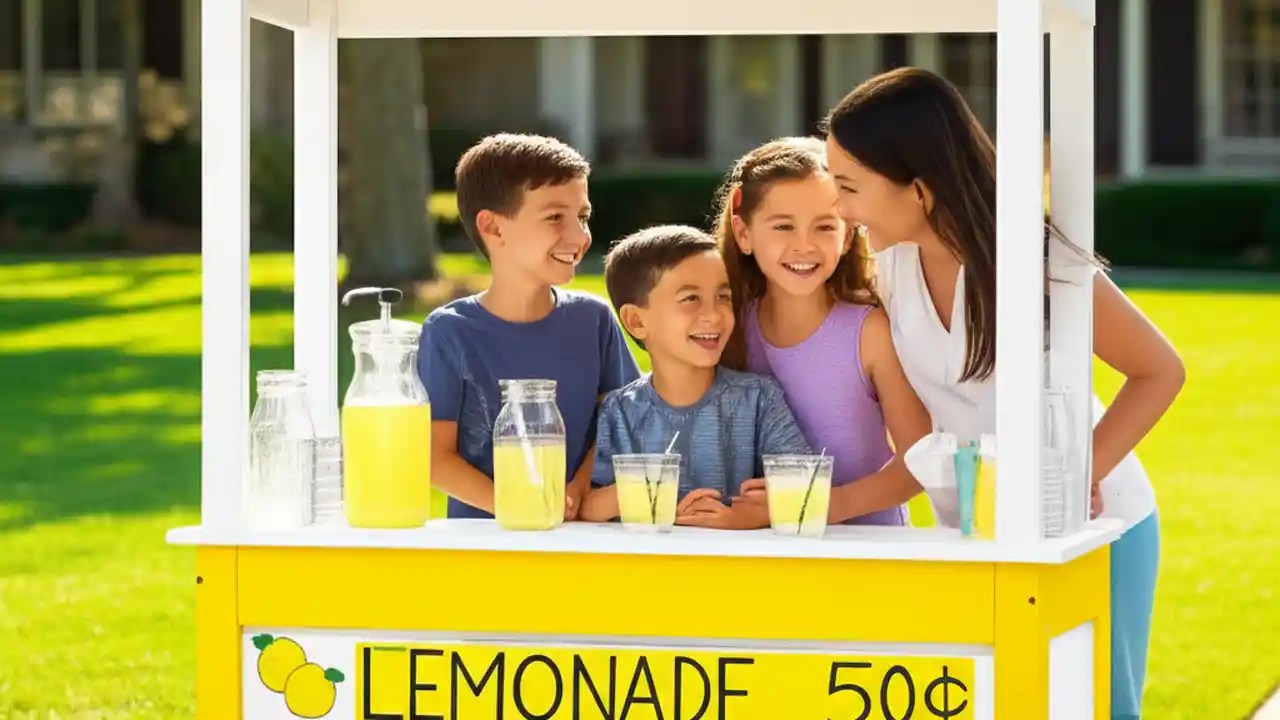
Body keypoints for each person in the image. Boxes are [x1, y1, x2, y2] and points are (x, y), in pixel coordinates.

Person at [823, 67, 1184, 720]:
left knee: (1098, 708)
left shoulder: (1039, 263)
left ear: (920, 189)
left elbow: (1160, 371)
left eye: (849, 187)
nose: (839, 208)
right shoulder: (893, 265)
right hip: (976, 535)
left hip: (1097, 530)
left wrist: (1079, 476)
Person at [417, 133, 641, 521]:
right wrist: (522, 509)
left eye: (583, 217)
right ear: (494, 228)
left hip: (585, 540)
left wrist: (582, 486)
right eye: (555, 217)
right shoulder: (448, 333)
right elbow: (434, 458)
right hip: (488, 548)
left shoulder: (594, 320)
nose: (580, 236)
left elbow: (623, 423)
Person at [717, 137, 932, 526]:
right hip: (765, 554)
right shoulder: (728, 329)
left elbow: (920, 461)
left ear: (847, 236)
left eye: (824, 227)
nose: (804, 246)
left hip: (869, 556)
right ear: (743, 233)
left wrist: (819, 506)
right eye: (783, 226)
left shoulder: (869, 332)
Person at [580, 225, 812, 529]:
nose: (714, 315)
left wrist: (750, 516)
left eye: (723, 297)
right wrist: (638, 491)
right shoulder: (620, 411)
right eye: (690, 298)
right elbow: (589, 506)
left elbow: (806, 488)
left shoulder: (758, 399)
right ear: (636, 321)